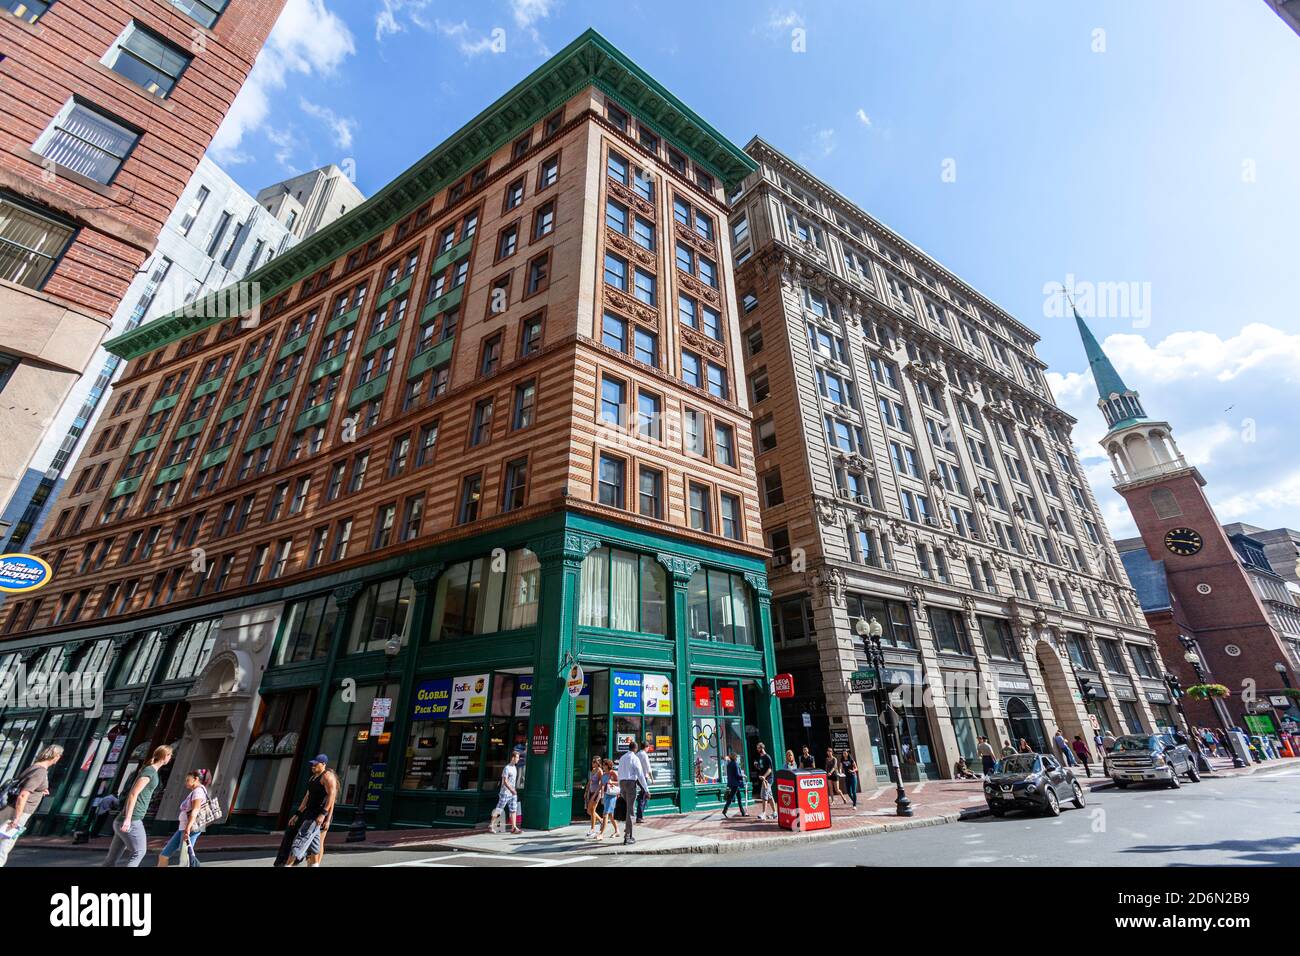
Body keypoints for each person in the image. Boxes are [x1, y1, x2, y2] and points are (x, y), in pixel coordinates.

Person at [104, 745, 173, 867]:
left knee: (112, 858)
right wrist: (128, 819)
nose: (171, 758)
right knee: (139, 852)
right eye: (170, 755)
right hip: (133, 819)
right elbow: (133, 794)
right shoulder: (149, 771)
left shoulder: (152, 771)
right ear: (164, 756)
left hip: (123, 820)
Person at [0, 744, 63, 867]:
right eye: (59, 756)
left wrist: (41, 790)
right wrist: (17, 818)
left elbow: (24, 786)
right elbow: (23, 795)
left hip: (9, 807)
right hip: (18, 811)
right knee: (5, 845)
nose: (59, 758)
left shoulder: (34, 767)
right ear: (55, 756)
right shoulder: (40, 772)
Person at [283, 754, 338, 867]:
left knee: (300, 841)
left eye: (315, 764)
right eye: (312, 764)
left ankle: (288, 865)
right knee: (314, 845)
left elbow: (332, 797)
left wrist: (325, 816)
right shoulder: (313, 778)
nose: (313, 766)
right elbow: (307, 797)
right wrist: (297, 814)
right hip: (310, 813)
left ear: (323, 764)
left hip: (317, 816)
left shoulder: (327, 777)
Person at [158, 769, 209, 868]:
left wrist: (188, 829)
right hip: (183, 828)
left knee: (185, 859)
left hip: (190, 828)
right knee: (164, 855)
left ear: (196, 779)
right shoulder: (195, 791)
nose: (185, 782)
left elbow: (195, 810)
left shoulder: (198, 792)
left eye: (188, 780)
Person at [615, 741, 648, 845]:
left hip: (622, 783)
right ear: (635, 748)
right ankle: (628, 836)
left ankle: (628, 831)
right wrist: (646, 789)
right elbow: (640, 775)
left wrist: (620, 787)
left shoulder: (622, 758)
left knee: (627, 809)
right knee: (630, 811)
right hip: (630, 784)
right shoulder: (635, 758)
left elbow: (619, 773)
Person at [490, 751, 522, 835]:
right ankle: (491, 825)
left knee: (513, 809)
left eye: (518, 757)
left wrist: (513, 791)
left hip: (512, 793)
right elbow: (505, 781)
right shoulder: (507, 768)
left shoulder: (515, 768)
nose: (518, 759)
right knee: (499, 809)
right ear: (513, 758)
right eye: (517, 757)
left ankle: (513, 828)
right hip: (505, 793)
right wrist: (511, 789)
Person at [594, 759, 619, 841]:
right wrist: (596, 795)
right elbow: (601, 785)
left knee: (605, 815)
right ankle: (617, 831)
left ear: (608, 765)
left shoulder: (613, 773)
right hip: (606, 796)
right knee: (611, 816)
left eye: (604, 765)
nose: (603, 766)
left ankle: (601, 834)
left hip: (612, 796)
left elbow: (619, 782)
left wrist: (612, 782)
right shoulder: (604, 774)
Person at [753, 743, 776, 819]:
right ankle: (775, 813)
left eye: (758, 748)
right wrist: (757, 766)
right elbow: (762, 768)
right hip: (764, 779)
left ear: (762, 748)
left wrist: (764, 776)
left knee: (764, 795)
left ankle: (763, 813)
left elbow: (769, 769)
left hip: (768, 779)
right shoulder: (760, 757)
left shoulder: (767, 757)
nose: (757, 749)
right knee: (769, 796)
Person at [721, 751, 747, 818]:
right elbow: (737, 775)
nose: (737, 757)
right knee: (731, 798)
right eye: (736, 756)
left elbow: (730, 774)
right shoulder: (735, 764)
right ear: (734, 757)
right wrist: (743, 776)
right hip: (735, 784)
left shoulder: (729, 764)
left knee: (739, 798)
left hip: (731, 783)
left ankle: (743, 812)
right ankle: (724, 810)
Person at [635, 737, 654, 824]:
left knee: (642, 796)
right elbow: (648, 768)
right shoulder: (644, 755)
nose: (648, 749)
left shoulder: (637, 754)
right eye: (648, 747)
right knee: (643, 796)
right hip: (643, 777)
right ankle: (639, 817)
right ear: (646, 747)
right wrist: (652, 778)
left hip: (637, 778)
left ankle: (640, 814)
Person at [584, 756, 603, 836]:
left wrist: (598, 793)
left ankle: (592, 829)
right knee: (589, 811)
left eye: (594, 762)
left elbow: (602, 783)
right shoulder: (593, 770)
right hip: (591, 792)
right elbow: (590, 781)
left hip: (596, 792)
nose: (592, 763)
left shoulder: (600, 771)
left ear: (598, 763)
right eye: (592, 761)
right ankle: (601, 820)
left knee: (592, 810)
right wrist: (586, 791)